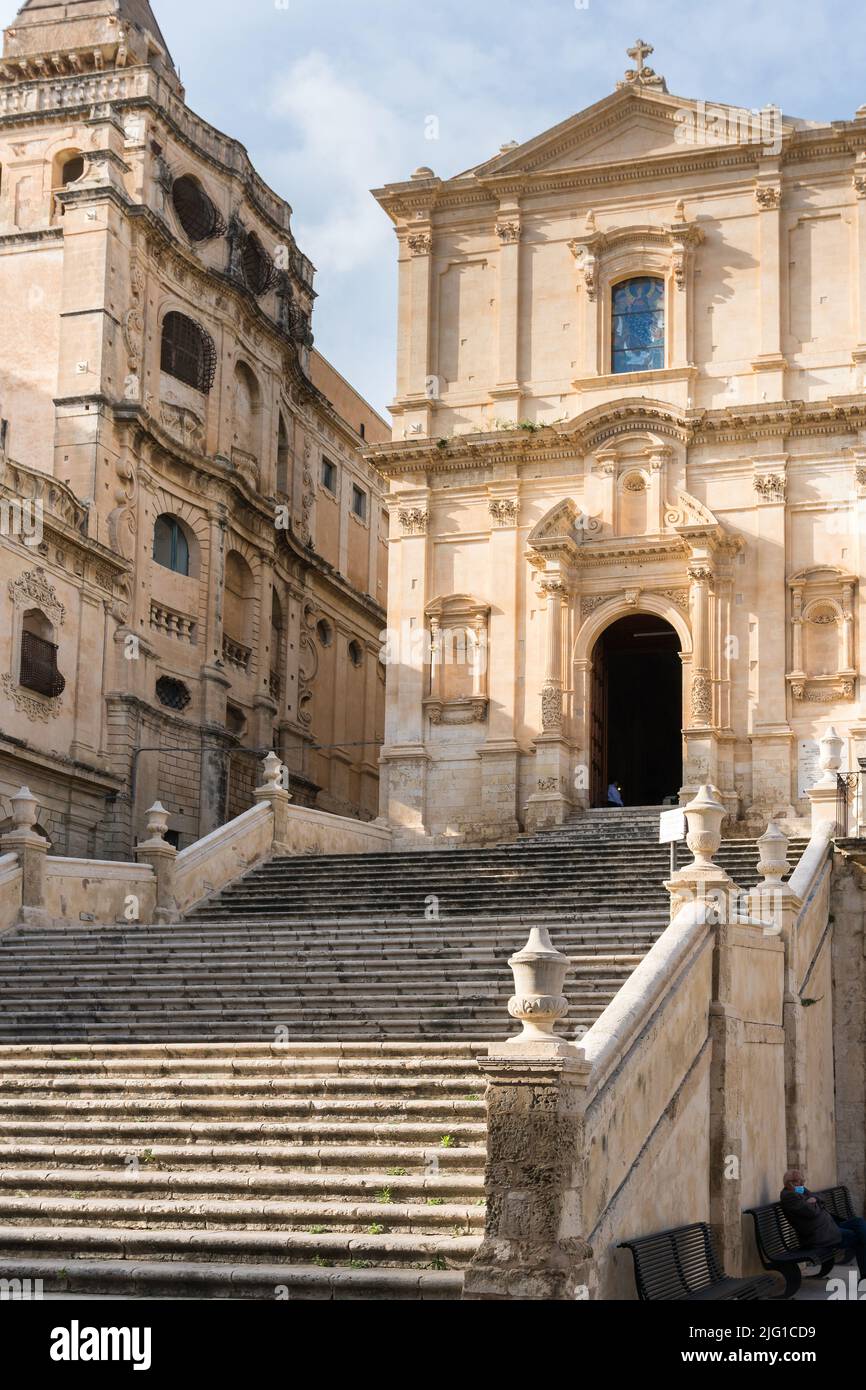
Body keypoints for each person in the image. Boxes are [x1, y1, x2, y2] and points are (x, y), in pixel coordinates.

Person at [780, 1170, 866, 1280]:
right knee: (858, 1238)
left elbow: (821, 1196)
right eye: (799, 1181)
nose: (802, 1184)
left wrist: (814, 1199)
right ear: (789, 1183)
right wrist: (814, 1202)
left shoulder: (800, 1191)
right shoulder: (789, 1196)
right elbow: (812, 1212)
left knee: (858, 1222)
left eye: (803, 1181)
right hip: (819, 1235)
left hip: (828, 1227)